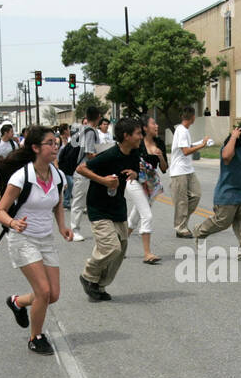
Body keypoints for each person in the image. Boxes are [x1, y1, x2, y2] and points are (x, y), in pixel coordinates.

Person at [0, 126, 73, 355]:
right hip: (23, 239)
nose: (55, 147)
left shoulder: (57, 176)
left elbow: (58, 202)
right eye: (50, 143)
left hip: (45, 239)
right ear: (36, 148)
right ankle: (36, 337)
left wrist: (62, 227)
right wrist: (13, 223)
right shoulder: (22, 177)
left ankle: (17, 302)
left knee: (53, 294)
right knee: (43, 291)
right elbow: (0, 210)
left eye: (56, 143)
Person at [77, 117, 143, 300]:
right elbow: (81, 169)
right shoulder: (109, 155)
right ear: (126, 136)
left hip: (117, 207)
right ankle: (88, 275)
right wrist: (103, 180)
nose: (140, 136)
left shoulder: (133, 153)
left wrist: (135, 173)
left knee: (120, 249)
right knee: (111, 247)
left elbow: (138, 169)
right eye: (137, 133)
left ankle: (98, 285)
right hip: (99, 208)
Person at [192, 122, 241, 261]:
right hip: (227, 193)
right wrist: (233, 137)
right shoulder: (230, 147)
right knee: (222, 222)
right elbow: (226, 157)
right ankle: (200, 232)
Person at [129, 116, 167, 264]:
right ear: (145, 128)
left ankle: (119, 243)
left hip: (150, 184)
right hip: (134, 181)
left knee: (135, 217)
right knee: (147, 215)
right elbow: (128, 161)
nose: (157, 126)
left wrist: (161, 156)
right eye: (153, 123)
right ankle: (147, 253)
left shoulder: (160, 143)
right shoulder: (137, 144)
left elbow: (164, 169)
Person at [169, 106, 211, 238]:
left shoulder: (184, 131)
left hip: (188, 169)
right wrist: (202, 145)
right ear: (192, 117)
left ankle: (182, 222)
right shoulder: (181, 131)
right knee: (181, 201)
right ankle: (180, 228)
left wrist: (201, 142)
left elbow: (188, 146)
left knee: (196, 195)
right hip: (179, 171)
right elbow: (186, 151)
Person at [66, 107, 103, 240]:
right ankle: (74, 230)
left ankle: (97, 229)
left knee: (91, 201)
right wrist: (104, 154)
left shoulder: (86, 129)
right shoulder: (90, 132)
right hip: (83, 171)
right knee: (79, 201)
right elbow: (89, 153)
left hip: (88, 171)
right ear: (98, 116)